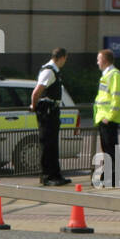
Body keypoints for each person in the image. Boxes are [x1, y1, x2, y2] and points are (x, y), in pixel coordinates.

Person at [30, 47, 70, 186]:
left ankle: (56, 175)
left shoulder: (54, 71)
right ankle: (47, 176)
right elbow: (36, 92)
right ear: (62, 57)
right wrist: (34, 106)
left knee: (52, 144)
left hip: (52, 110)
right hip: (47, 111)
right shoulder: (49, 71)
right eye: (66, 59)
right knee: (47, 144)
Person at [93, 48, 120, 187]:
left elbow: (117, 98)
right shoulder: (107, 75)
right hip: (103, 118)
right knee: (107, 149)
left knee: (111, 149)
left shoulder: (114, 75)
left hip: (108, 119)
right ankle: (108, 175)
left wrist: (109, 116)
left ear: (105, 61)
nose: (97, 62)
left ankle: (113, 177)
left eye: (98, 59)